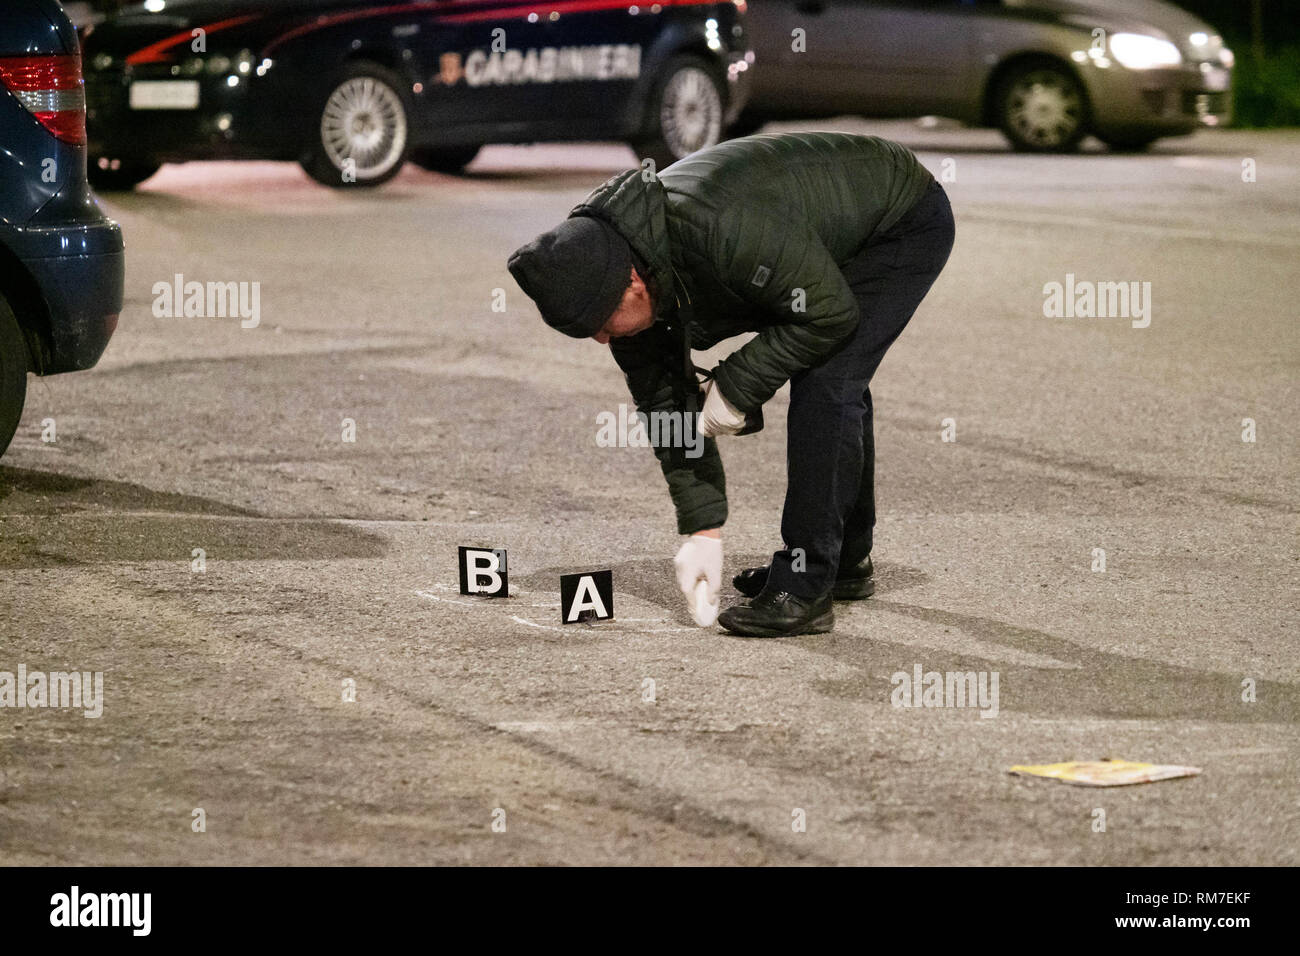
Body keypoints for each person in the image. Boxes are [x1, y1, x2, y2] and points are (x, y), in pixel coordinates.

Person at [507, 132, 954, 637]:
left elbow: (827, 312)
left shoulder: (716, 229)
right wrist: (703, 532)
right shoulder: (615, 271)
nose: (603, 341)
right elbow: (668, 409)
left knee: (829, 382)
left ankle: (806, 588)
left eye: (603, 324)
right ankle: (843, 562)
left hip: (899, 219)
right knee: (832, 382)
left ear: (632, 282)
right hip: (809, 234)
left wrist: (735, 386)